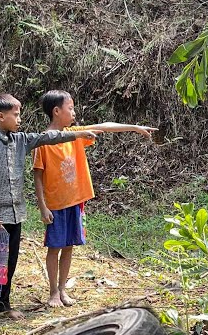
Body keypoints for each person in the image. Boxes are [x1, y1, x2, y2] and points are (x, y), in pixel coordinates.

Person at [0, 93, 97, 324]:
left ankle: (2, 305)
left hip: (15, 214)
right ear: (1, 117)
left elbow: (48, 138)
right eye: (16, 114)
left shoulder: (21, 140)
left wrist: (78, 134)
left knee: (9, 261)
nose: (19, 118)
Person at [32, 90, 154, 307]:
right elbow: (38, 176)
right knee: (55, 247)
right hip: (56, 204)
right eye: (70, 108)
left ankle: (62, 290)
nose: (74, 112)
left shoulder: (76, 133)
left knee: (69, 247)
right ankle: (52, 292)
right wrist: (42, 207)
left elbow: (104, 126)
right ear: (56, 111)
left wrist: (134, 128)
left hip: (75, 202)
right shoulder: (43, 142)